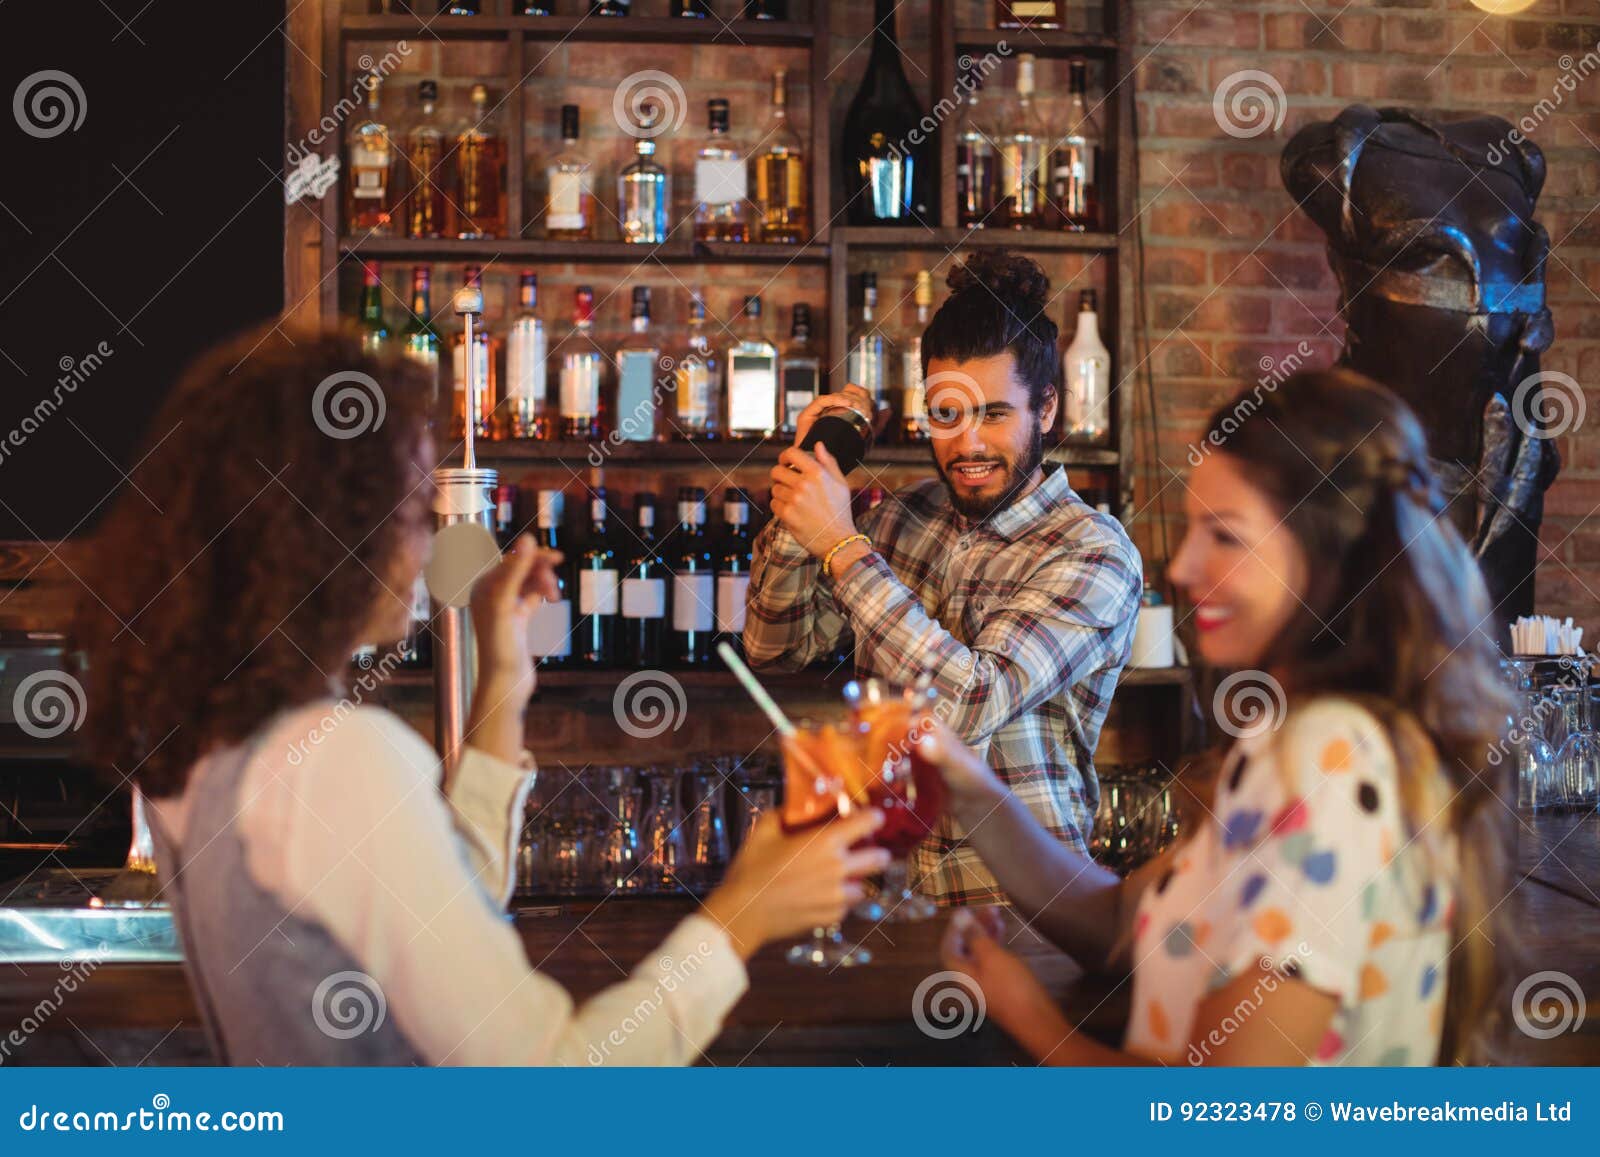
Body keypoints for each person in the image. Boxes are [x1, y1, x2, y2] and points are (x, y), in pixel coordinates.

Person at [76, 329, 890, 1066]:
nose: (431, 542)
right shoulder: (339, 758)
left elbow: (445, 893)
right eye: (412, 511)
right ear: (326, 533)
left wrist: (503, 675)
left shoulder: (206, 737)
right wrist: (742, 914)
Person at [924, 368, 1514, 1065]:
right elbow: (1116, 924)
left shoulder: (1329, 757)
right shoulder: (1295, 743)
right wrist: (968, 786)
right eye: (1192, 530)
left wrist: (1031, 1020)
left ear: (1329, 550)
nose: (1181, 567)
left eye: (1226, 537)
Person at [743, 251, 1143, 905]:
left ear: (1045, 409)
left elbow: (967, 706)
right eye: (946, 414)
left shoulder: (1093, 552)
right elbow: (774, 646)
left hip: (1022, 917)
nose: (967, 444)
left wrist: (841, 544)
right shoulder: (899, 521)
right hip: (885, 905)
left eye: (993, 414)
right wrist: (811, 477)